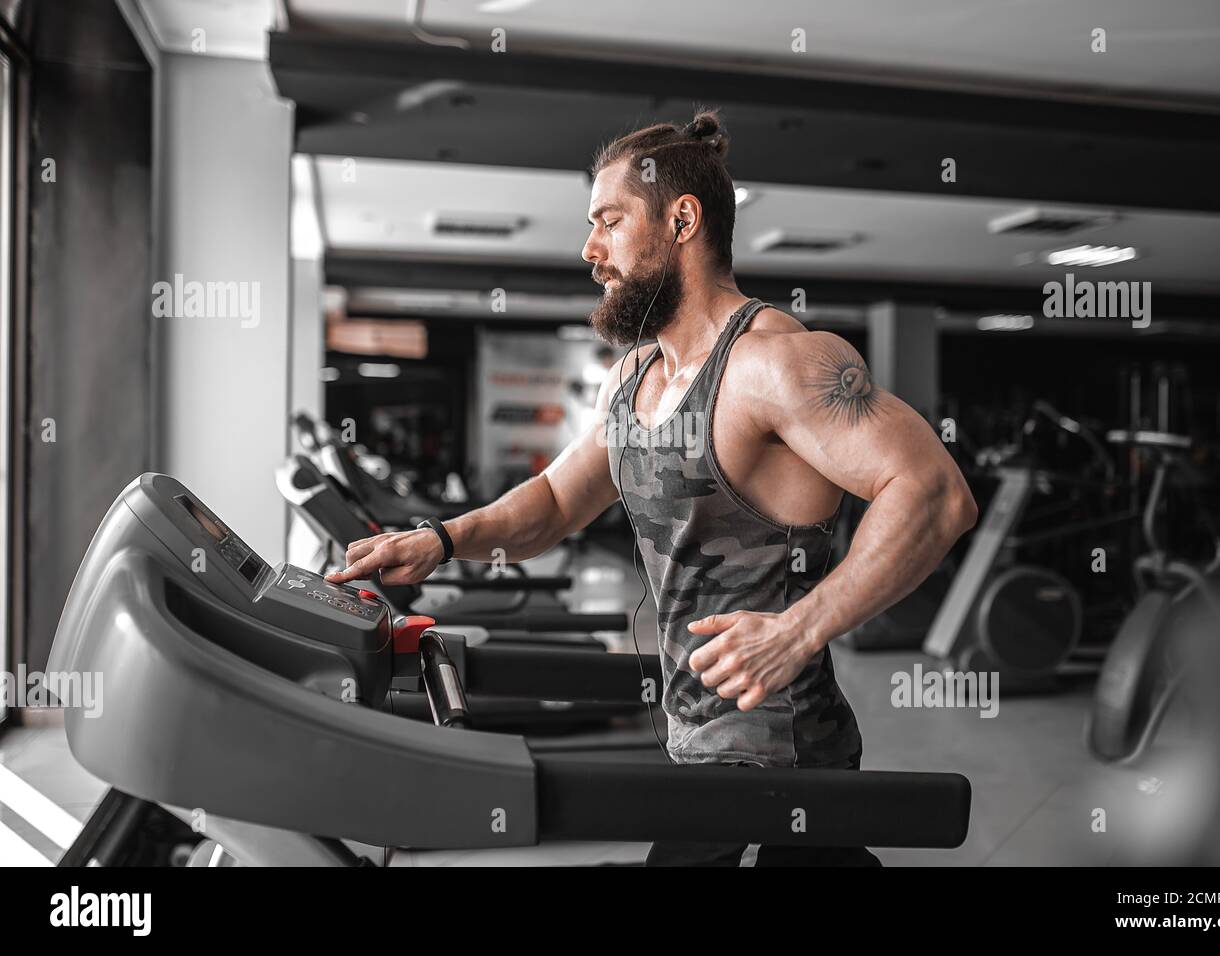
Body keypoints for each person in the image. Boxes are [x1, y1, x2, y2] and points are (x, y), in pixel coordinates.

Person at [326, 110, 978, 866]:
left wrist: (802, 629)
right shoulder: (632, 380)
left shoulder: (777, 363)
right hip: (694, 742)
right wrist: (441, 540)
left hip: (782, 759)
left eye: (609, 221)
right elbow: (555, 502)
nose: (589, 249)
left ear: (681, 220)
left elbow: (934, 492)